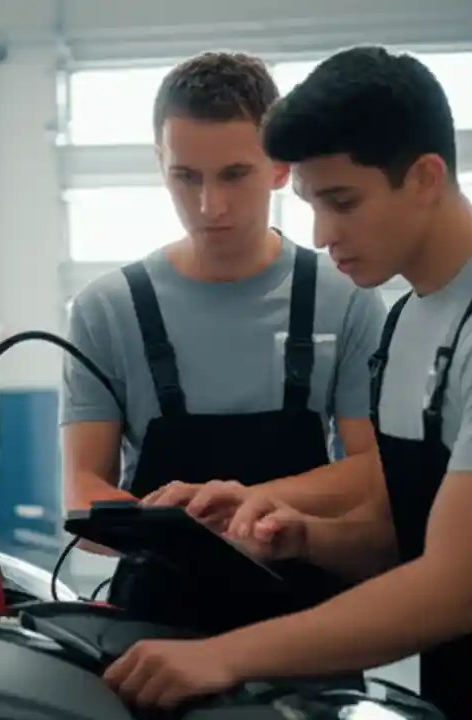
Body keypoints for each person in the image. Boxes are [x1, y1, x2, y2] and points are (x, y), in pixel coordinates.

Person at [102, 46, 472, 719]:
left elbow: (455, 590)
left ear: (425, 177)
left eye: (343, 202)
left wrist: (222, 654)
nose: (320, 234)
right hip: (469, 690)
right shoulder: (408, 320)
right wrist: (305, 535)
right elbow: (403, 537)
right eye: (311, 204)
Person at [61, 51, 388, 547]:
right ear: (159, 163)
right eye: (186, 177)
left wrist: (248, 503)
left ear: (280, 166)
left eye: (234, 174)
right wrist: (171, 529)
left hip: (306, 603)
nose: (209, 206)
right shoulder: (105, 311)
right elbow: (82, 494)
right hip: (154, 608)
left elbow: (374, 476)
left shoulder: (345, 300)